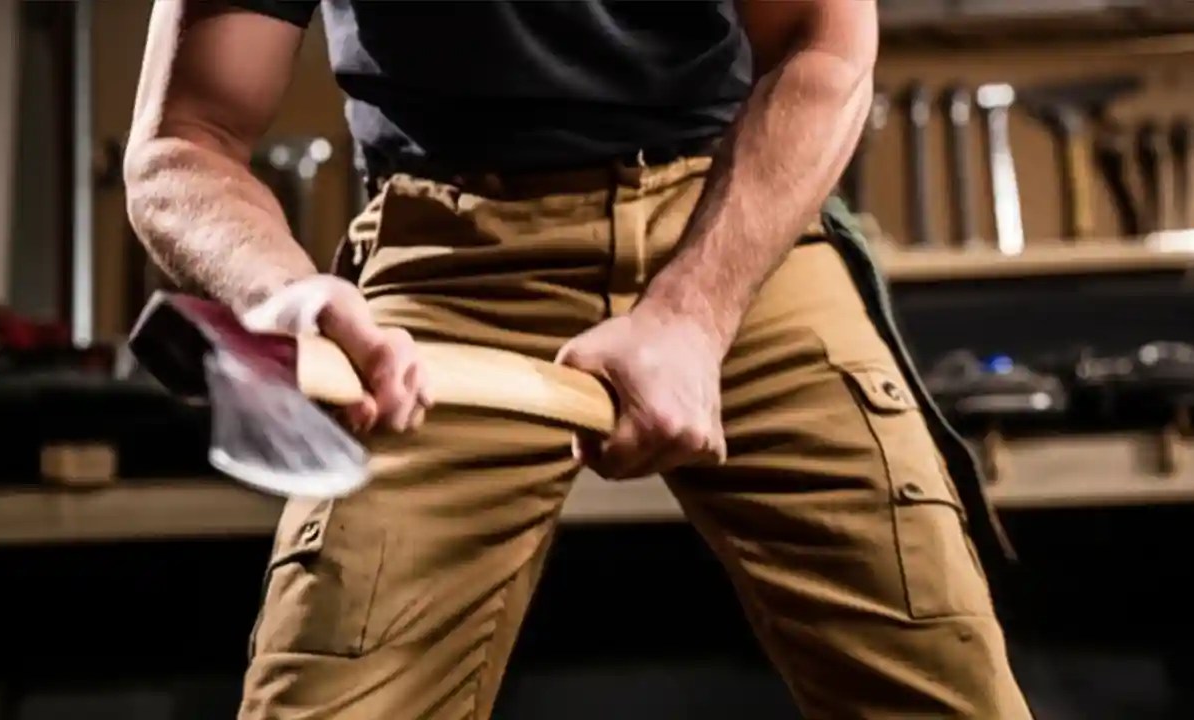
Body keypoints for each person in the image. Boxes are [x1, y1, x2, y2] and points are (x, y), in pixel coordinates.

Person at [123, 1, 1033, 717]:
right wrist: (282, 291)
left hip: (734, 229)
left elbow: (824, 46)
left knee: (941, 686)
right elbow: (184, 140)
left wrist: (692, 315)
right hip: (447, 269)